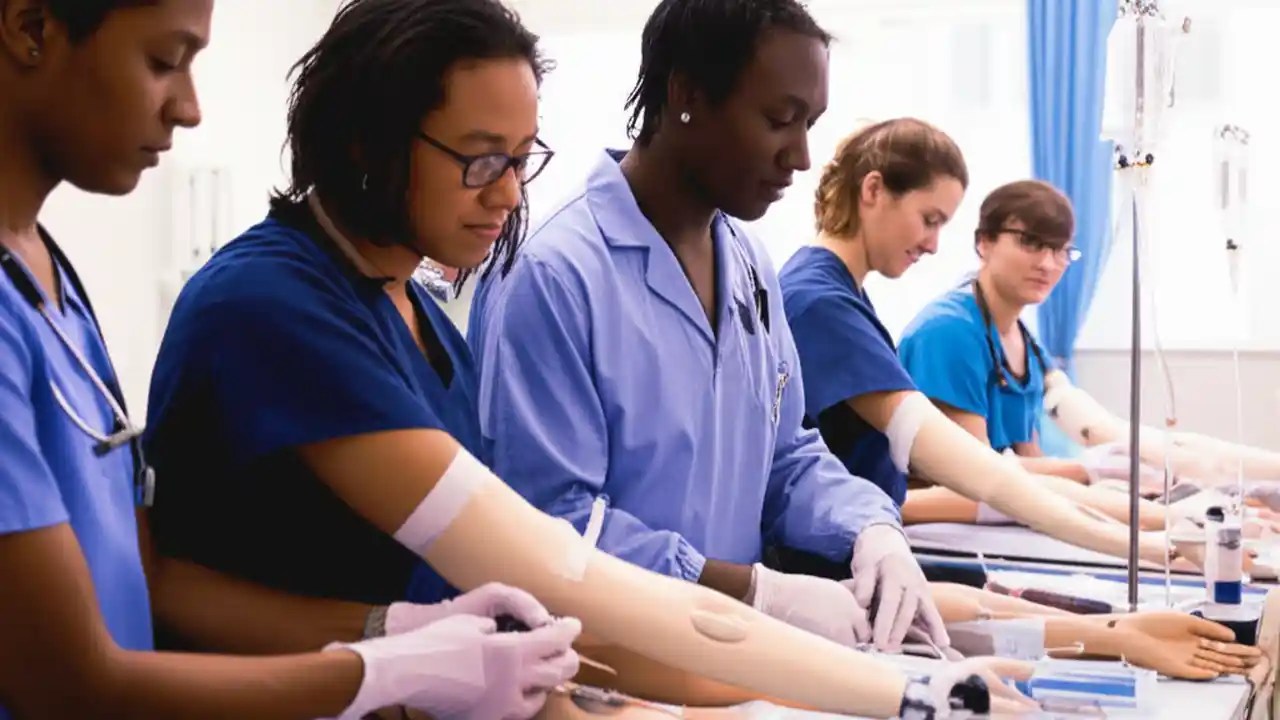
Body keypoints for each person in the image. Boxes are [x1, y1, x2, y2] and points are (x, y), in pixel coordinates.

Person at [137, 1, 1001, 718]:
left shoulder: (418, 316)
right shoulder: (284, 308)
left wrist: (870, 572)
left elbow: (515, 611)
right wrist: (882, 686)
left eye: (521, 161)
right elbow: (559, 563)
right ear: (368, 141)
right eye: (481, 160)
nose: (510, 194)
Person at [0, 1, 579, 719]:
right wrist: (385, 667)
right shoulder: (268, 302)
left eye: (521, 159)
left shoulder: (46, 283)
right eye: (163, 60)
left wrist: (396, 635)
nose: (190, 109)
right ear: (30, 31)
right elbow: (70, 680)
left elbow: (146, 576)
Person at [469, 0, 944, 655]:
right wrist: (752, 591)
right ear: (687, 95)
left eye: (810, 123)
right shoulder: (553, 274)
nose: (801, 156)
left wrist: (870, 529)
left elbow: (786, 457)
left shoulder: (748, 264)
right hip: (603, 662)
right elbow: (551, 526)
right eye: (780, 120)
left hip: (732, 653)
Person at [777, 119, 1183, 572]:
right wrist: (1143, 544)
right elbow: (975, 469)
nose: (932, 245)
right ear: (872, 190)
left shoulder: (837, 292)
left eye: (1060, 251)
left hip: (863, 540)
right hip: (835, 557)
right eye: (929, 220)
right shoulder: (822, 304)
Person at [896, 180, 1094, 481]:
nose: (1047, 263)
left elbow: (1027, 453)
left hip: (998, 502)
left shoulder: (1024, 341)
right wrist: (1089, 471)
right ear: (984, 243)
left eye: (1060, 250)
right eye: (1030, 242)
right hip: (939, 509)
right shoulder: (947, 333)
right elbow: (977, 473)